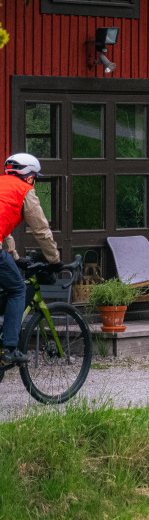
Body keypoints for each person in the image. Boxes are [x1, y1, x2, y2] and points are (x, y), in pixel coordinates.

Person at [0, 153, 60, 366]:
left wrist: (14, 257)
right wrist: (54, 260)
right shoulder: (25, 190)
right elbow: (41, 230)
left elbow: (4, 228)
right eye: (35, 178)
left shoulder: (2, 186)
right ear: (29, 176)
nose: (34, 181)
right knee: (18, 289)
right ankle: (8, 349)